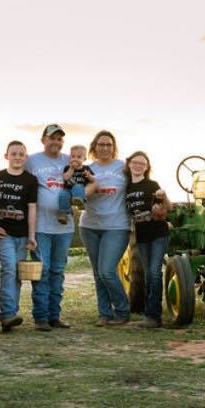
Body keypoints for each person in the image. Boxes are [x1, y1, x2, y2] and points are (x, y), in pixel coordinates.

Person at [0, 140, 38, 332]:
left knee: (17, 273)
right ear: (6, 156)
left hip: (22, 235)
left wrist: (31, 236)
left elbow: (32, 209)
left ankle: (11, 313)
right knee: (9, 270)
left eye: (21, 154)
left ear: (26, 157)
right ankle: (6, 315)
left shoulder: (30, 180)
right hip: (3, 234)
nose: (17, 157)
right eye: (14, 154)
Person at [24, 124, 75, 331]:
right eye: (52, 138)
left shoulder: (69, 160)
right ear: (43, 140)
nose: (56, 142)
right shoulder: (31, 161)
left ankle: (55, 315)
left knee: (58, 271)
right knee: (42, 270)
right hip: (41, 226)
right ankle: (41, 317)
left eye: (59, 139)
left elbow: (81, 182)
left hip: (64, 226)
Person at [79, 130, 131, 326]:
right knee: (98, 273)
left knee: (107, 271)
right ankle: (104, 314)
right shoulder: (87, 169)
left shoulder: (123, 168)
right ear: (94, 147)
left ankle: (123, 310)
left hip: (117, 226)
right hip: (89, 226)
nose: (105, 148)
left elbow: (138, 185)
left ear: (113, 147)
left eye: (109, 144)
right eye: (101, 144)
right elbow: (77, 194)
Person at [124, 151, 169, 328]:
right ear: (129, 164)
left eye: (142, 163)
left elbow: (167, 207)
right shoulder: (126, 187)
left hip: (157, 232)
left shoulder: (152, 185)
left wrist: (163, 197)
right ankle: (150, 314)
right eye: (135, 162)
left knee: (154, 273)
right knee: (147, 274)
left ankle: (153, 316)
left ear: (147, 167)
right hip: (141, 235)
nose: (138, 165)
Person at [58, 144, 97, 225]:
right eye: (73, 156)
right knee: (62, 195)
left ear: (84, 159)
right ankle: (64, 214)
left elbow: (93, 180)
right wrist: (72, 168)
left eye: (79, 157)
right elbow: (65, 178)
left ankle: (80, 201)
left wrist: (89, 176)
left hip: (79, 190)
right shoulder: (67, 168)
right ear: (70, 158)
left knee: (78, 186)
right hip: (67, 189)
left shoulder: (86, 168)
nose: (75, 159)